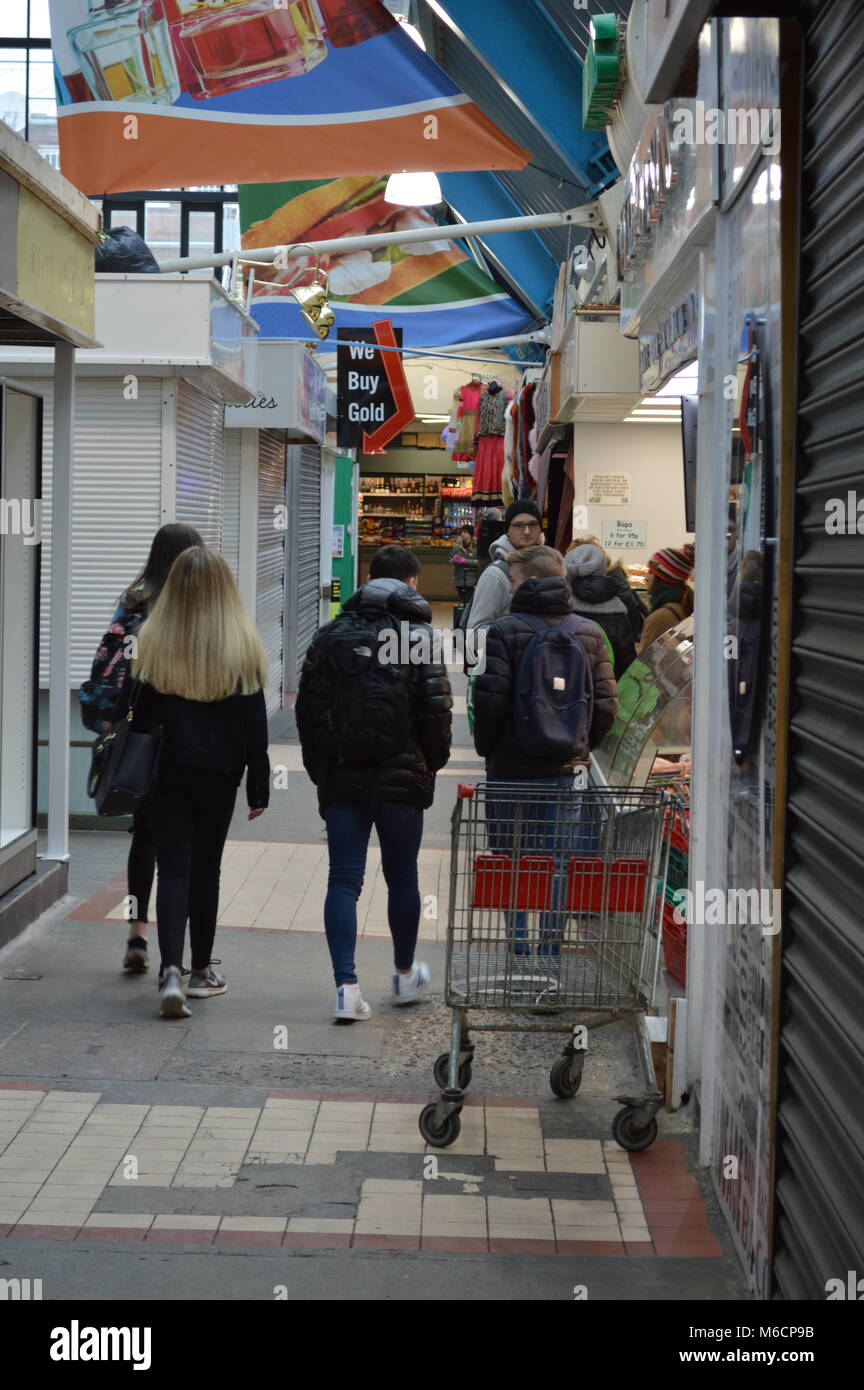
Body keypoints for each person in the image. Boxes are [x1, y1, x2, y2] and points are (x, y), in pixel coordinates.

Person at [296, 544, 452, 1021]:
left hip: (342, 773)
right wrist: (432, 764)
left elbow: (306, 712)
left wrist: (319, 770)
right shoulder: (418, 637)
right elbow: (437, 712)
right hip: (402, 776)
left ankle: (345, 987)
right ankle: (404, 977)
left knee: (343, 880)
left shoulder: (329, 635)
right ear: (411, 585)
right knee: (402, 875)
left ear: (364, 583)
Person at [115, 547, 270, 1018]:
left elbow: (134, 712)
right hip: (219, 773)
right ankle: (202, 970)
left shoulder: (152, 641)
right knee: (208, 869)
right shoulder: (241, 644)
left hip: (165, 771)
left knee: (174, 866)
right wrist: (259, 785)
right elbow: (254, 724)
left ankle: (170, 971)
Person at [472, 546, 618, 955]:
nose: (511, 586)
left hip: (510, 770)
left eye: (515, 580)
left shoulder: (504, 631)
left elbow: (490, 701)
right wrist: (581, 748)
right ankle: (549, 952)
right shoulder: (587, 633)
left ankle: (518, 947)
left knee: (511, 859)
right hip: (564, 771)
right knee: (558, 861)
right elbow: (607, 703)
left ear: (531, 582)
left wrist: (491, 749)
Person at [79, 522, 204, 975]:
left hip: (142, 742)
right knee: (186, 851)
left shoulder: (133, 601)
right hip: (191, 744)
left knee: (145, 840)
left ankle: (137, 932)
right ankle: (185, 956)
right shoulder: (197, 605)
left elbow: (109, 669)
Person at [464, 499, 545, 635]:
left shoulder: (546, 566)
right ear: (507, 530)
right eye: (518, 525)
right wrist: (519, 634)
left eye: (532, 525)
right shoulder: (496, 575)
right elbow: (475, 633)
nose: (526, 531)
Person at [564, 543, 637, 679]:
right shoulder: (617, 611)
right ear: (603, 568)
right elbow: (627, 662)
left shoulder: (560, 608)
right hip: (607, 686)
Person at [635, 545, 695, 655]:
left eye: (651, 572)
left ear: (663, 579)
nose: (646, 577)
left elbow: (645, 662)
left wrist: (637, 648)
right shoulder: (684, 603)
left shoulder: (659, 617)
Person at [449, 526, 478, 609]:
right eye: (462, 532)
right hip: (459, 579)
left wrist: (466, 561)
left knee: (469, 603)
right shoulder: (457, 546)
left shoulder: (476, 546)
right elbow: (451, 558)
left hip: (471, 579)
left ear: (470, 534)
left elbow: (480, 562)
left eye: (465, 532)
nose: (463, 534)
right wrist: (454, 560)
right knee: (463, 602)